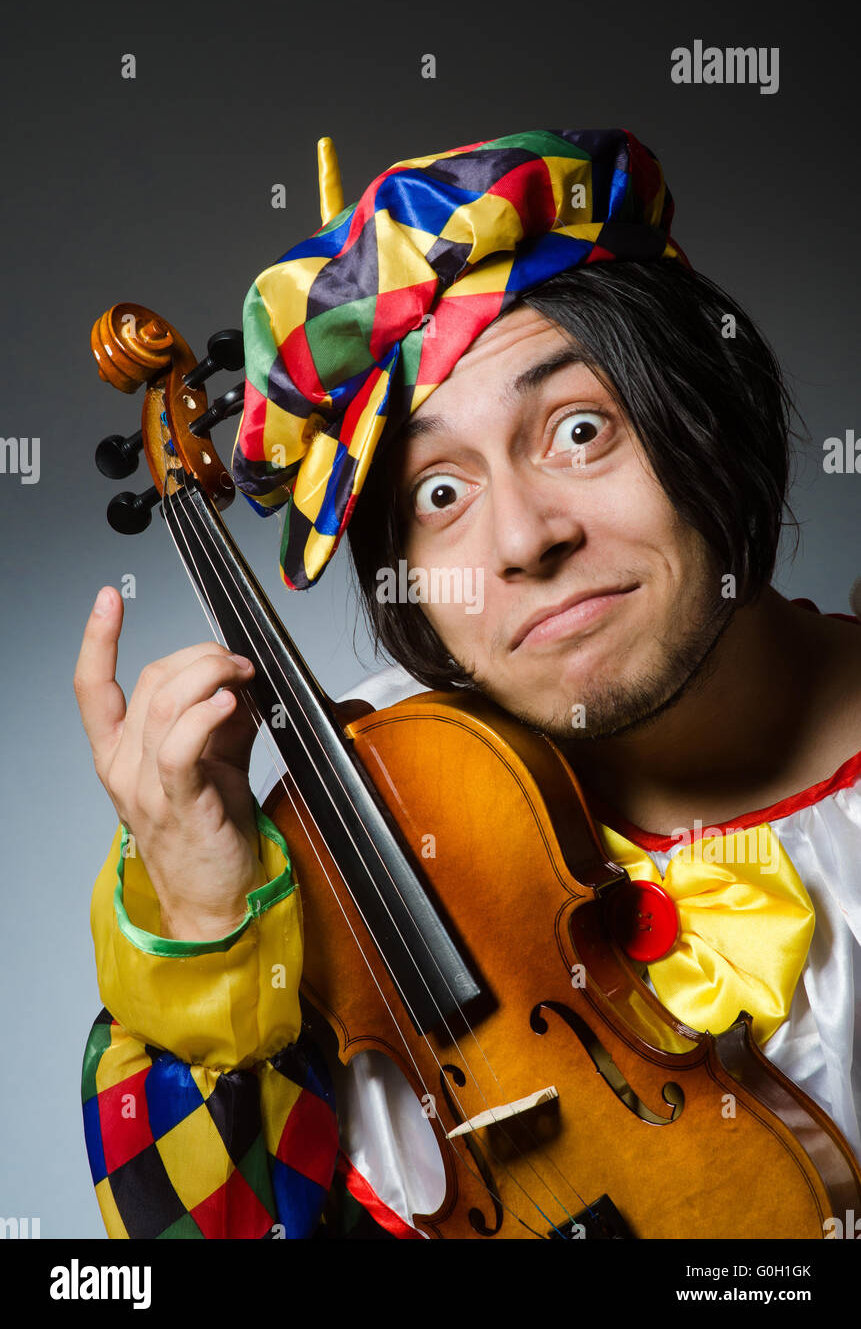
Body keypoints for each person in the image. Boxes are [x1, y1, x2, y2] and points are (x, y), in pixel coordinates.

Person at [75, 127, 861, 1240]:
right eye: (438, 493)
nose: (526, 538)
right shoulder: (383, 845)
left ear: (711, 414)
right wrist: (205, 921)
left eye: (580, 429)